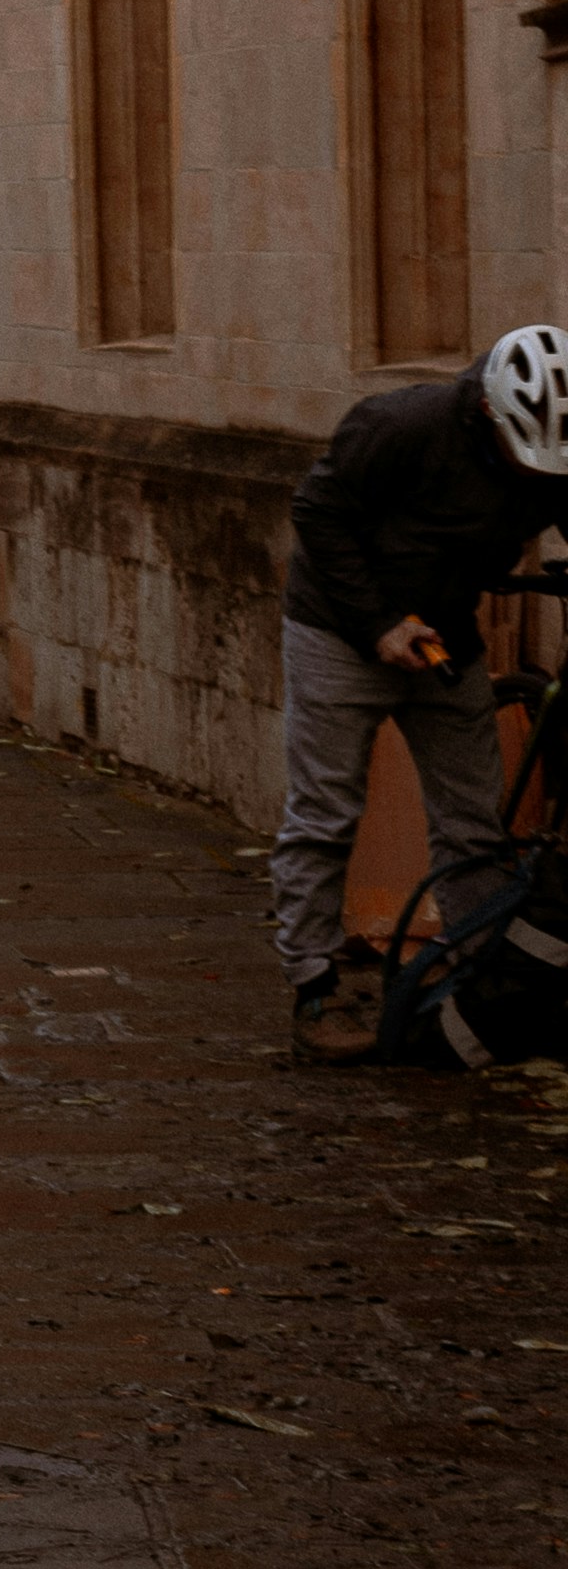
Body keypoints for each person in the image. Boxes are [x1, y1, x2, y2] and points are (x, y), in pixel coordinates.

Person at [279, 327, 568, 1063]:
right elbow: (318, 515)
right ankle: (314, 987)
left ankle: (481, 979)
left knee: (474, 819)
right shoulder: (402, 425)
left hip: (445, 636)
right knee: (326, 811)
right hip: (344, 631)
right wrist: (378, 624)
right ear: (486, 415)